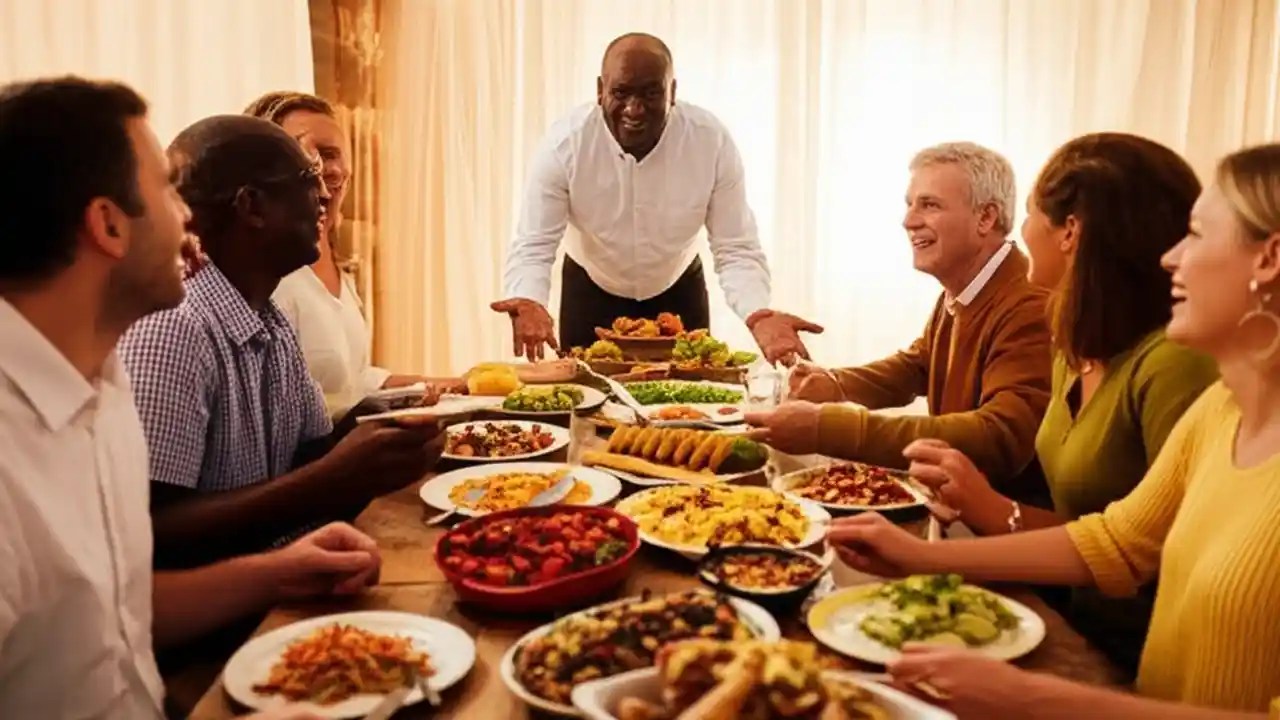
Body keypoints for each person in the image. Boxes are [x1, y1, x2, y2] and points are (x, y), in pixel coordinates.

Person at [825, 143, 1280, 717]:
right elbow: (1115, 542)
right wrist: (920, 558)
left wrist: (1030, 697)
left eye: (1196, 234)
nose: (1172, 258)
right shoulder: (1221, 409)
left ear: (1269, 259)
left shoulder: (1176, 372)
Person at [0, 76, 377, 720]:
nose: (189, 216)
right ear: (109, 225)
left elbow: (116, 607)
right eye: (168, 190)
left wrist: (281, 570)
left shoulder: (102, 385)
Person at [898, 133, 1218, 676]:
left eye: (1028, 216)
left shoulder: (1172, 364)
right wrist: (978, 508)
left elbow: (1153, 552)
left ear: (1070, 231)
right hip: (1067, 608)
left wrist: (995, 512)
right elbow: (1099, 529)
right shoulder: (1074, 344)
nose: (1020, 238)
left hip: (1133, 650)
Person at [118, 113, 444, 567]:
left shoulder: (269, 321)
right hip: (222, 624)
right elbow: (154, 532)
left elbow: (308, 456)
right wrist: (335, 476)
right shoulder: (175, 327)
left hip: (285, 583)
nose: (326, 195)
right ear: (252, 206)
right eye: (309, 179)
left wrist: (378, 428)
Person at [748, 142, 1052, 504]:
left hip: (1002, 527)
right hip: (956, 503)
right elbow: (920, 365)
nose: (908, 220)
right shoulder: (969, 285)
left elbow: (1001, 436)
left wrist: (827, 427)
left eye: (929, 204)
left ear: (986, 218)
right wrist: (835, 384)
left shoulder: (1028, 304)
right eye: (910, 204)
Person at [493, 32, 821, 364]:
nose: (634, 109)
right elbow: (534, 243)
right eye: (620, 92)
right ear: (599, 90)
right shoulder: (563, 145)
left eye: (651, 93)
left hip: (679, 289)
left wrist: (758, 314)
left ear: (672, 92)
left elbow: (735, 246)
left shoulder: (711, 142)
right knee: (590, 407)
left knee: (689, 409)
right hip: (590, 290)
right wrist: (528, 299)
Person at [243, 91, 463, 416]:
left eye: (333, 154)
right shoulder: (262, 278)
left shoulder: (335, 261)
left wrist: (454, 384)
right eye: (303, 154)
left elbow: (352, 380)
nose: (324, 170)